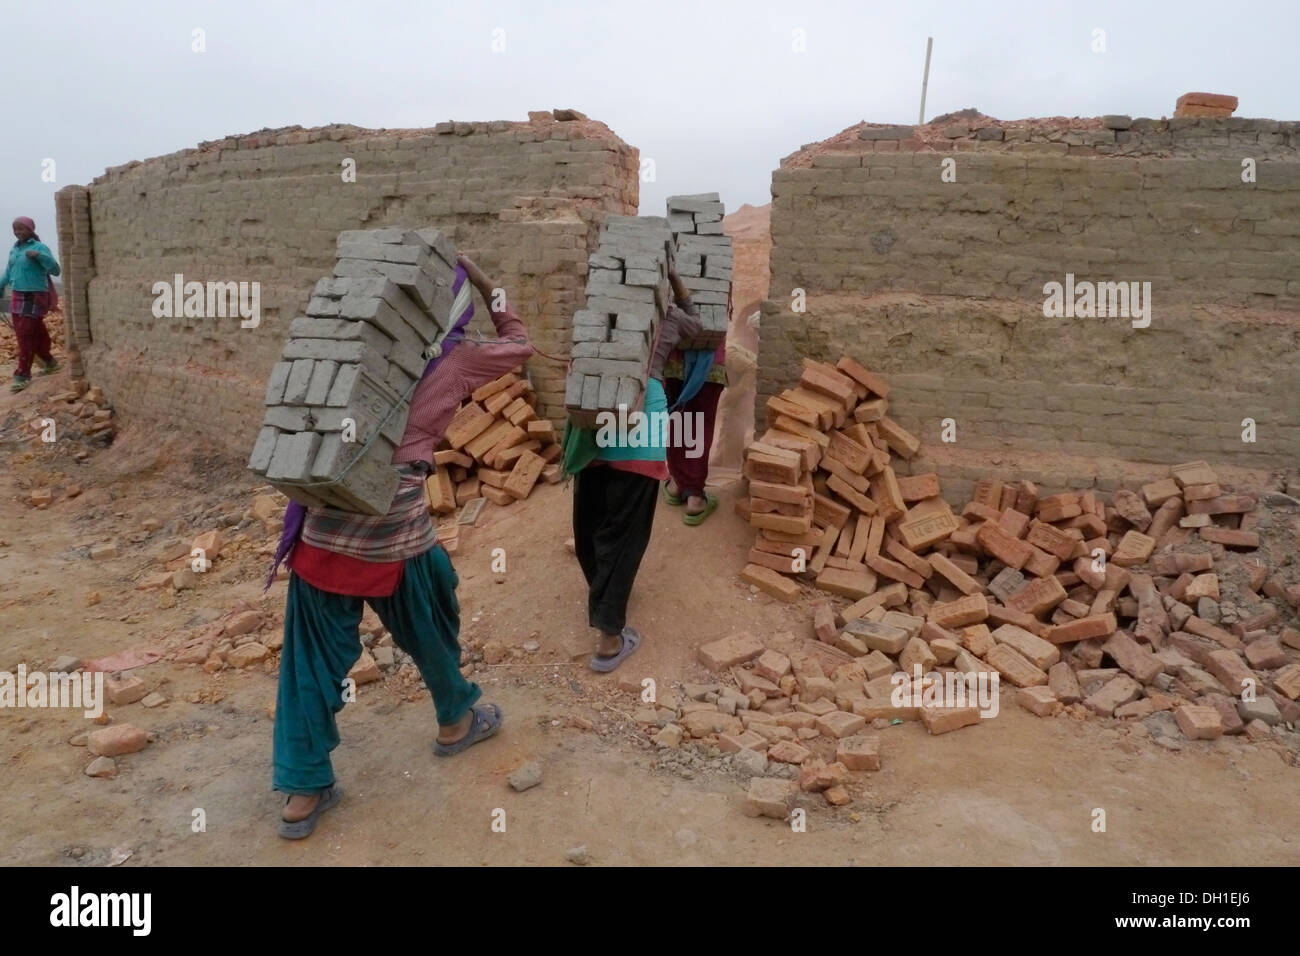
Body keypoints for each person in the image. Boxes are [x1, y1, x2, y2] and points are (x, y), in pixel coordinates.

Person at [267, 254, 533, 839]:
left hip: (323, 531)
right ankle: (456, 720)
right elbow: (520, 344)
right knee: (432, 620)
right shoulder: (458, 360)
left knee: (310, 662)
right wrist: (492, 288)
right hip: (396, 532)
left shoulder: (343, 356)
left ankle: (303, 789)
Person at [563, 269, 701, 672]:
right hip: (641, 416)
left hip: (594, 418)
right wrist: (676, 283)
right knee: (625, 531)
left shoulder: (596, 314)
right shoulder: (667, 316)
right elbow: (698, 326)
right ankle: (609, 637)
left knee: (591, 520)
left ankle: (603, 590)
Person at [661, 294, 730, 524]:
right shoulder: (715, 266)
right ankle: (695, 497)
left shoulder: (671, 267)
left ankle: (677, 483)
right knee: (699, 426)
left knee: (677, 420)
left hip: (673, 357)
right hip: (709, 363)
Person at [2, 216, 61, 392]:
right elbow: (8, 272)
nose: (18, 232)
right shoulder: (15, 250)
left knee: (25, 334)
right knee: (35, 332)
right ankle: (50, 362)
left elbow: (55, 270)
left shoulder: (39, 247)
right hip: (17, 295)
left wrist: (39, 256)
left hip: (34, 296)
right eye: (15, 229)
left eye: (22, 229)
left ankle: (22, 373)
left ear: (31, 230)